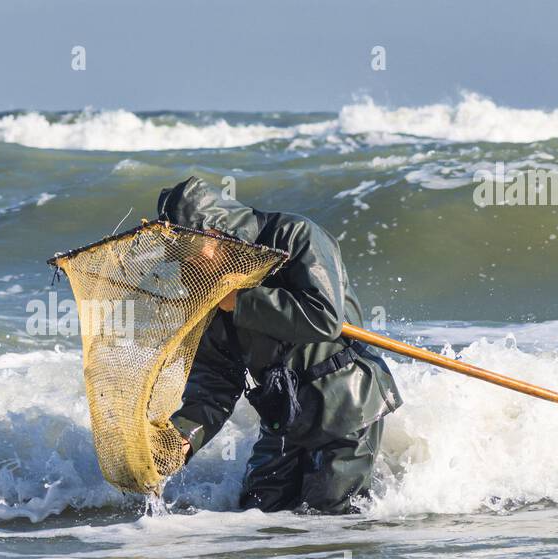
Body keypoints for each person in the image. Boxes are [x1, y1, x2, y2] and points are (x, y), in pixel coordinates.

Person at [161, 176, 402, 513]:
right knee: (257, 511)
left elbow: (324, 317)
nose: (188, 264)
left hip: (346, 401)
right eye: (179, 255)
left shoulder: (295, 235)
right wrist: (186, 435)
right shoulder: (206, 284)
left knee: (330, 515)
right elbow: (216, 380)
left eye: (190, 250)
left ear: (216, 231)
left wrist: (242, 302)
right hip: (283, 412)